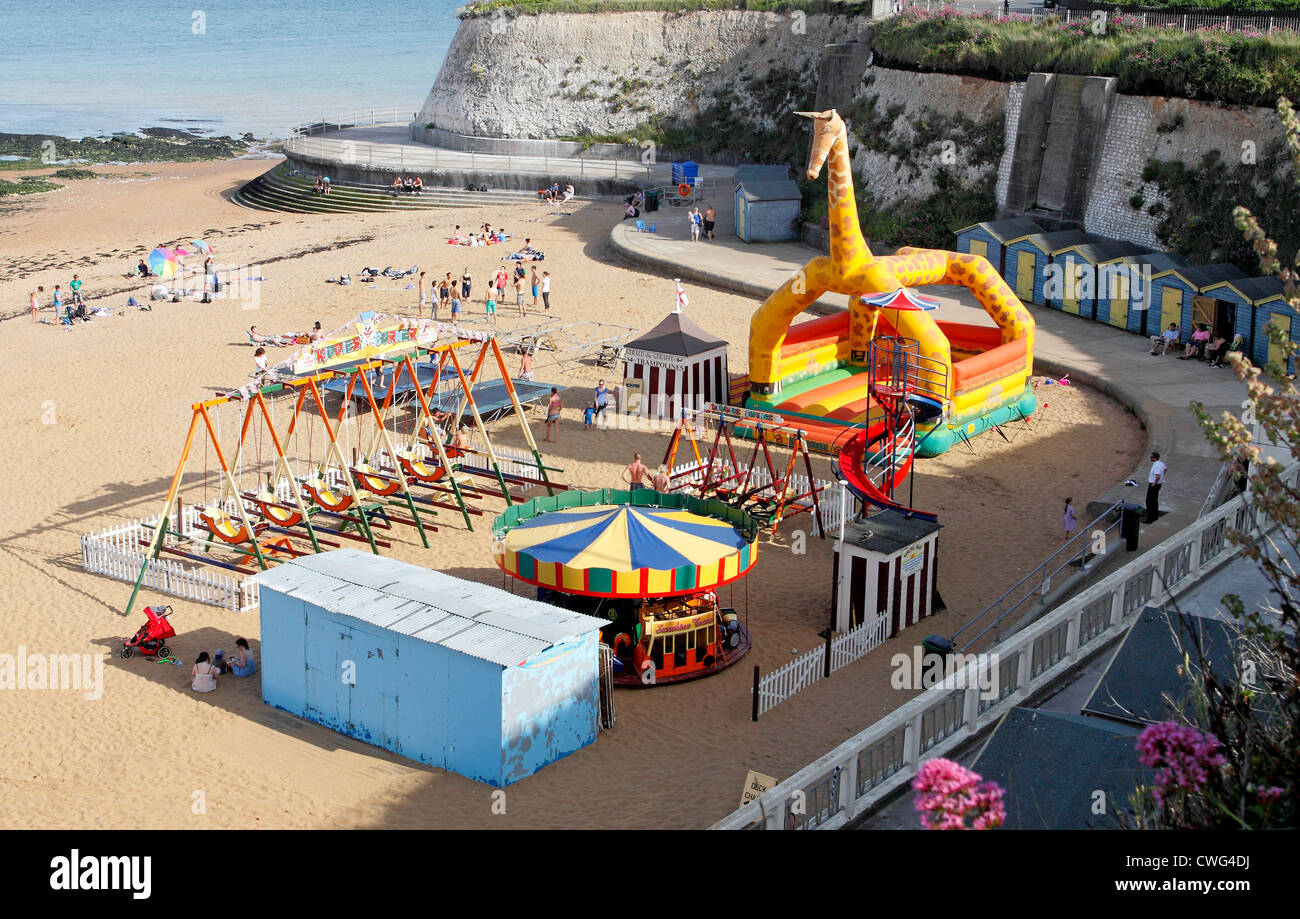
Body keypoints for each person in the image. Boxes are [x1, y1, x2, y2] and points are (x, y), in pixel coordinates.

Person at [1145, 451, 1167, 524]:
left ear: (1155, 458)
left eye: (1151, 457)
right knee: (1154, 501)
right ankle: (1154, 516)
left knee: (1149, 501)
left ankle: (1150, 518)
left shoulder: (1156, 466)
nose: (1150, 458)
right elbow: (1165, 469)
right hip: (1158, 484)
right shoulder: (1161, 463)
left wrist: (1154, 483)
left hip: (1154, 485)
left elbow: (1157, 476)